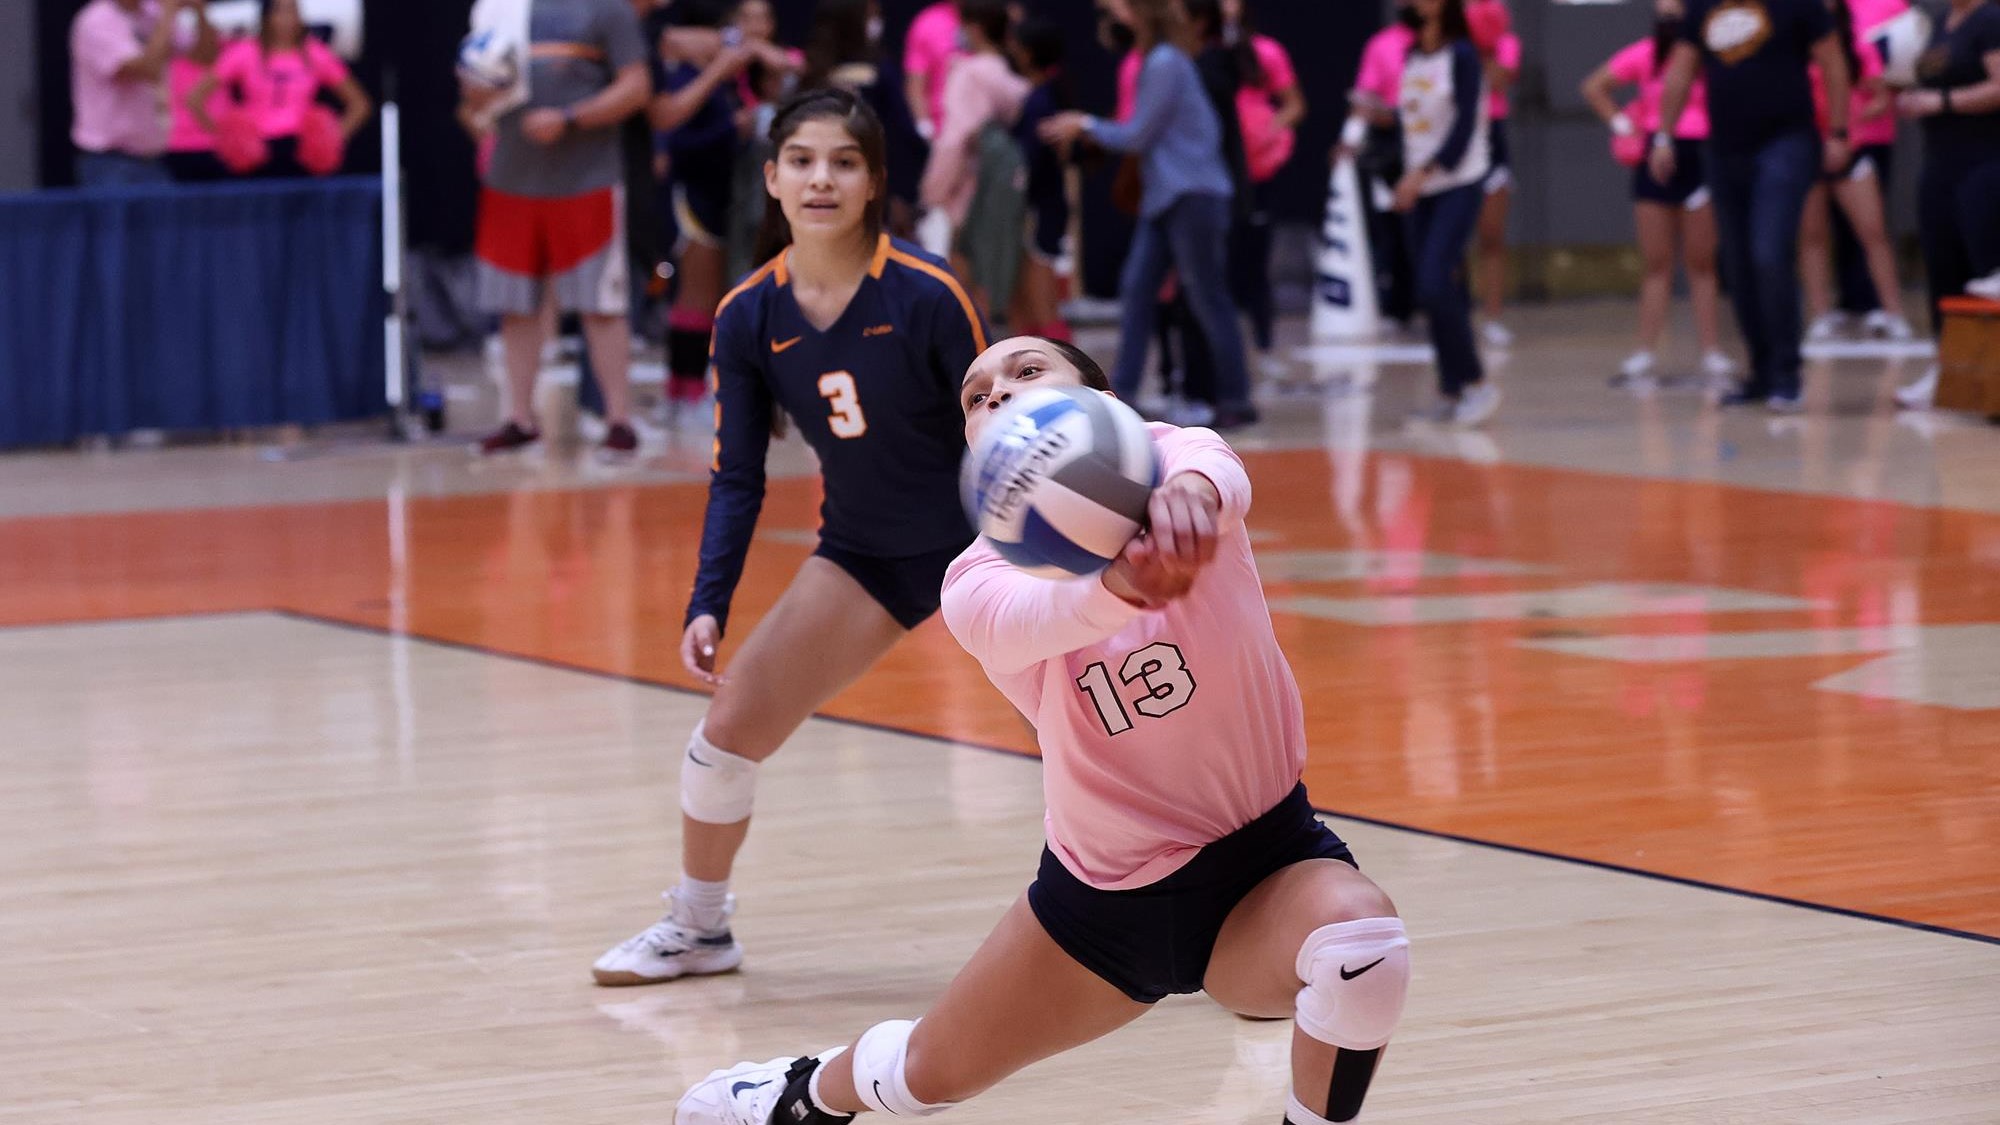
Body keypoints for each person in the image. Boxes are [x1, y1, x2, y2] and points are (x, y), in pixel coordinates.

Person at [671, 335, 1410, 1125]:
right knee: (927, 1074)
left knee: (1361, 945)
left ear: (1106, 407)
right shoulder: (976, 581)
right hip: (1103, 906)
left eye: (1027, 373)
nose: (997, 393)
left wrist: (1188, 499)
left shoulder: (1179, 460)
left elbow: (1215, 471)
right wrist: (1126, 582)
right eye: (975, 395)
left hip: (1266, 867)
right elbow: (1047, 615)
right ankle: (798, 1092)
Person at [592, 89, 991, 986]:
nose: (822, 178)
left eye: (844, 162)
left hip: (983, 553)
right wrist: (708, 601)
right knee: (724, 734)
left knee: (1109, 733)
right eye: (802, 160)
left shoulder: (928, 294)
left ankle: (1202, 903)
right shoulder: (746, 315)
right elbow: (738, 475)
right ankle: (699, 929)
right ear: (770, 178)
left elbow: (1004, 430)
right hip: (865, 556)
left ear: (874, 182)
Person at [1041, 0, 1258, 431]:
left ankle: (1237, 398)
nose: (1108, 19)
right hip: (1167, 195)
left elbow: (1138, 134)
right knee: (1136, 290)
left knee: (1206, 296)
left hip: (1192, 194)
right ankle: (1121, 395)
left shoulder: (1163, 62)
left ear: (1141, 13)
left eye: (1116, 10)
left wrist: (1084, 124)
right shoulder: (1161, 60)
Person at [465, 0, 652, 458]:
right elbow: (471, 95)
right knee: (515, 305)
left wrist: (571, 118)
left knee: (602, 303)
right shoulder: (495, 9)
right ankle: (518, 418)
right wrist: (476, 99)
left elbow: (636, 88)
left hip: (587, 180)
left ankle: (618, 419)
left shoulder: (608, 10)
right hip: (510, 181)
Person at [1652, 0, 1853, 412]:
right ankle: (1761, 371)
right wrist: (1663, 136)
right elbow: (1681, 70)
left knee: (1769, 251)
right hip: (1724, 149)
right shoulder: (1702, 8)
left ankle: (1786, 373)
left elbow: (1833, 63)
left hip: (1787, 141)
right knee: (1738, 262)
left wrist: (1838, 130)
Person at [1581, 0, 1734, 388]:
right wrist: (1623, 126)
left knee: (1701, 264)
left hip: (1700, 155)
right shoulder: (1645, 55)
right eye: (1666, 19)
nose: (1672, 26)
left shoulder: (1711, 60)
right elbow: (1594, 86)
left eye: (1679, 19)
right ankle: (1646, 350)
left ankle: (1711, 350)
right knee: (1656, 263)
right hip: (1657, 158)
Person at [1890, 0, 2000, 409]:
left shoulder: (1991, 19)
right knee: (1944, 271)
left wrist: (1944, 102)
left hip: (1984, 162)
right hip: (1940, 161)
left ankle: (1991, 377)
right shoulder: (1940, 22)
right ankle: (1947, 368)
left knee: (1984, 272)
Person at [1396, 0, 1500, 426]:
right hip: (1421, 186)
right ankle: (1450, 388)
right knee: (1435, 289)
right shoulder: (1413, 53)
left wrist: (1421, 174)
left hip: (1457, 181)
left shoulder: (1461, 55)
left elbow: (1463, 127)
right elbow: (1417, 119)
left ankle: (1477, 382)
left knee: (1435, 281)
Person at [1798, 0, 1916, 342]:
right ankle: (1821, 314)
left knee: (1873, 231)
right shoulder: (1795, 50)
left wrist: (1853, 126)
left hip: (1850, 148)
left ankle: (1893, 310)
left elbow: (1882, 96)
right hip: (1809, 149)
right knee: (1813, 235)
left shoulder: (1859, 47)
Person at [919, 0, 1030, 320]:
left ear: (975, 28)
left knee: (965, 281)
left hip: (969, 190)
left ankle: (974, 356)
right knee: (1008, 279)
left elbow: (955, 138)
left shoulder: (968, 74)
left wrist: (933, 190)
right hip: (1006, 187)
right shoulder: (1011, 73)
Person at [190, 0, 373, 178]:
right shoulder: (245, 52)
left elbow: (359, 104)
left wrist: (331, 137)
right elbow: (196, 98)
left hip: (302, 153)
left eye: (292, 10)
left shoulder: (315, 54)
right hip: (255, 153)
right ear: (266, 16)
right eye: (279, 10)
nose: (287, 18)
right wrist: (226, 138)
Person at [1224, 0, 1306, 379]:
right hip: (1215, 176)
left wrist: (1267, 133)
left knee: (1256, 263)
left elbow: (1294, 105)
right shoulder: (1196, 55)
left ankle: (1265, 343)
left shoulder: (1265, 51)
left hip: (1257, 174)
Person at [1335, 2, 1419, 336]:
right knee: (1389, 228)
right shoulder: (1382, 44)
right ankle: (1396, 306)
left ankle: (1441, 301)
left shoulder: (1451, 48)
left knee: (1432, 230)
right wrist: (1349, 139)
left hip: (1431, 141)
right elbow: (1364, 100)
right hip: (1392, 143)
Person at [69, 0, 192, 187]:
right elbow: (147, 70)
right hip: (109, 162)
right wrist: (168, 13)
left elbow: (205, 56)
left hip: (151, 159)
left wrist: (200, 12)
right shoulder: (96, 20)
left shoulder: (151, 13)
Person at [1006, 17, 1074, 343]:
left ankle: (1074, 384)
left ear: (1028, 53)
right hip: (1036, 208)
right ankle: (1029, 381)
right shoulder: (1039, 95)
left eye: (1016, 46)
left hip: (1040, 210)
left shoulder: (1041, 101)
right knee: (1024, 303)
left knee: (1043, 303)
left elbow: (1028, 161)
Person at [1466, 0, 1522, 349]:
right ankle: (1453, 312)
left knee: (1491, 235)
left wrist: (1484, 46)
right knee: (1450, 238)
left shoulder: (1506, 43)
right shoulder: (1448, 47)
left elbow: (1499, 80)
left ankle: (1493, 315)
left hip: (1491, 138)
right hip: (1455, 137)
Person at [904, 0, 963, 143]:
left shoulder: (1001, 16)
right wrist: (925, 129)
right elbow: (915, 85)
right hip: (943, 134)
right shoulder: (928, 22)